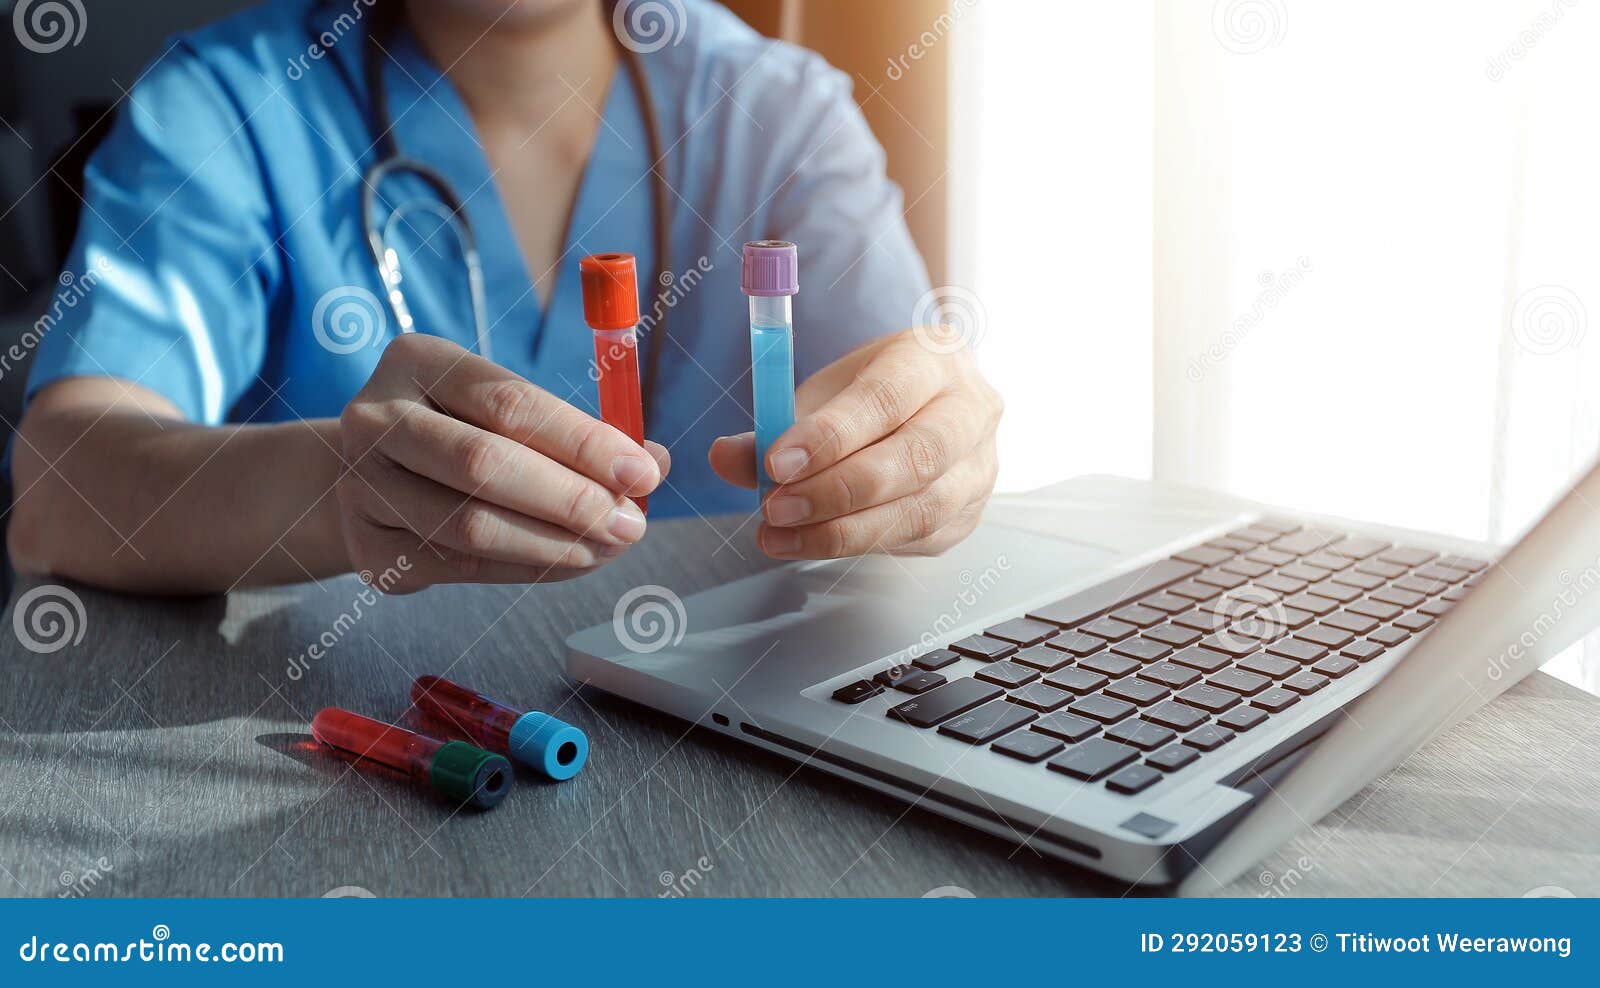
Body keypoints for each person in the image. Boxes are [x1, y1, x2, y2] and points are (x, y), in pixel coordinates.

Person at [7, 0, 1001, 594]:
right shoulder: (232, 103)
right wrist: (338, 492)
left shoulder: (781, 112)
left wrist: (926, 452)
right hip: (378, 746)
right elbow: (61, 494)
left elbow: (891, 412)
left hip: (732, 721)